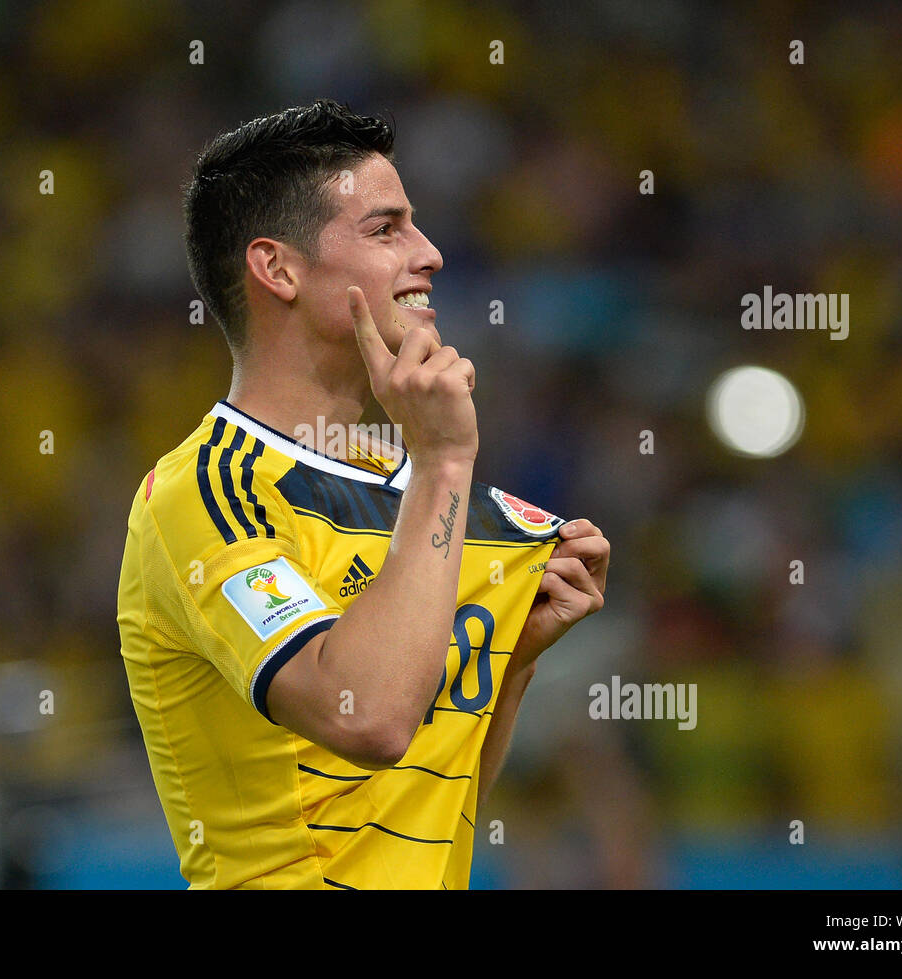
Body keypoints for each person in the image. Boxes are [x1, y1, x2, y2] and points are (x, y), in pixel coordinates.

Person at [116, 99, 609, 889]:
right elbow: (366, 717)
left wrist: (511, 659)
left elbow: (423, 810)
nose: (431, 253)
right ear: (277, 268)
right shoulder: (205, 496)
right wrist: (446, 458)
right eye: (386, 230)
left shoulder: (438, 509)